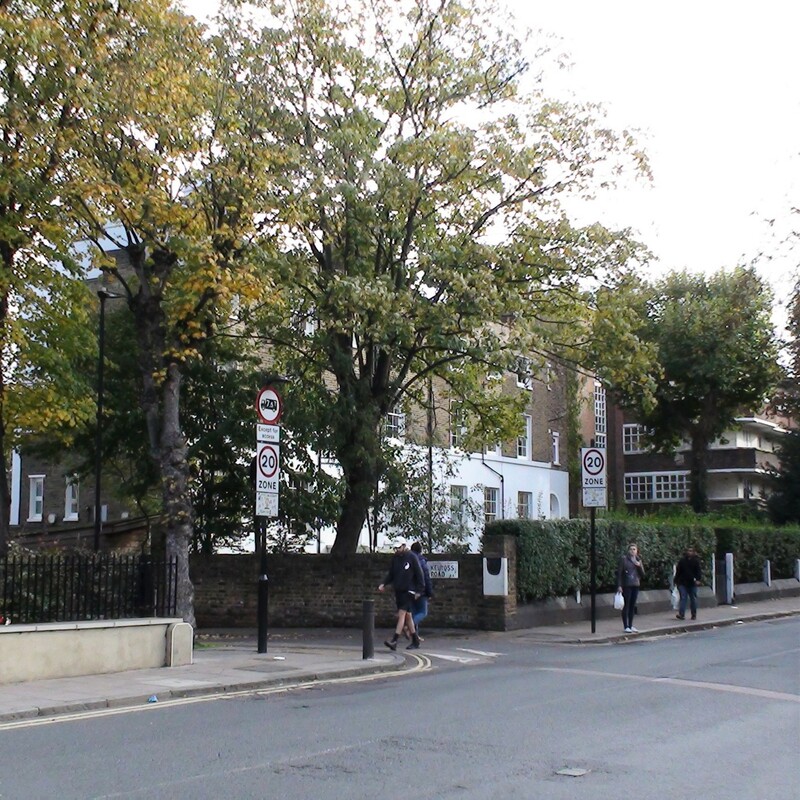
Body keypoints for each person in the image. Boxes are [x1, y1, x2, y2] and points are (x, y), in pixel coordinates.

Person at [378, 540, 425, 651]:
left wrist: (419, 590)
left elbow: (420, 574)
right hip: (399, 591)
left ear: (404, 546)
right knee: (408, 617)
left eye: (398, 547)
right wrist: (384, 583)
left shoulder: (412, 557)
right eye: (396, 548)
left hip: (409, 591)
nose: (397, 550)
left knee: (401, 615)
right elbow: (391, 574)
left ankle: (394, 640)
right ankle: (415, 640)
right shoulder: (395, 558)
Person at [617, 542, 645, 633]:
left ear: (637, 551)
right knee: (627, 605)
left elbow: (643, 574)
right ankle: (626, 626)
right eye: (631, 549)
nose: (632, 551)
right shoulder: (624, 559)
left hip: (635, 584)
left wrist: (639, 566)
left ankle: (631, 625)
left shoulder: (638, 560)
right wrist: (619, 585)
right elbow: (619, 573)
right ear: (628, 551)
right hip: (627, 585)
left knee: (633, 605)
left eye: (634, 549)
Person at [409, 542, 433, 640]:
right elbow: (426, 578)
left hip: (409, 590)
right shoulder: (422, 562)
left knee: (414, 613)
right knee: (423, 612)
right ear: (420, 550)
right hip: (420, 591)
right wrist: (429, 592)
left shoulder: (407, 560)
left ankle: (415, 636)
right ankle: (408, 627)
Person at [674, 545, 702, 620]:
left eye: (691, 551)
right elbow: (678, 571)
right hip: (682, 583)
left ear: (693, 552)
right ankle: (681, 614)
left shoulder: (696, 561)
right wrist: (676, 581)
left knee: (693, 599)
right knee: (683, 598)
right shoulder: (682, 561)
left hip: (692, 583)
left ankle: (694, 614)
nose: (689, 552)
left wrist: (698, 580)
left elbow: (698, 572)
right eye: (688, 551)